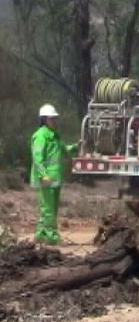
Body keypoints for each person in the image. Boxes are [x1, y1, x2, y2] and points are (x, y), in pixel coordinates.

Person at [30, 104, 77, 245]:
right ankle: (52, 237)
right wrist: (43, 175)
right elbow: (37, 158)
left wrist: (76, 147)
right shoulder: (40, 136)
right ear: (44, 120)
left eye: (56, 118)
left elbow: (64, 150)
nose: (56, 121)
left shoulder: (54, 136)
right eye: (52, 119)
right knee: (49, 209)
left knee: (49, 208)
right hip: (46, 179)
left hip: (54, 178)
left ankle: (40, 234)